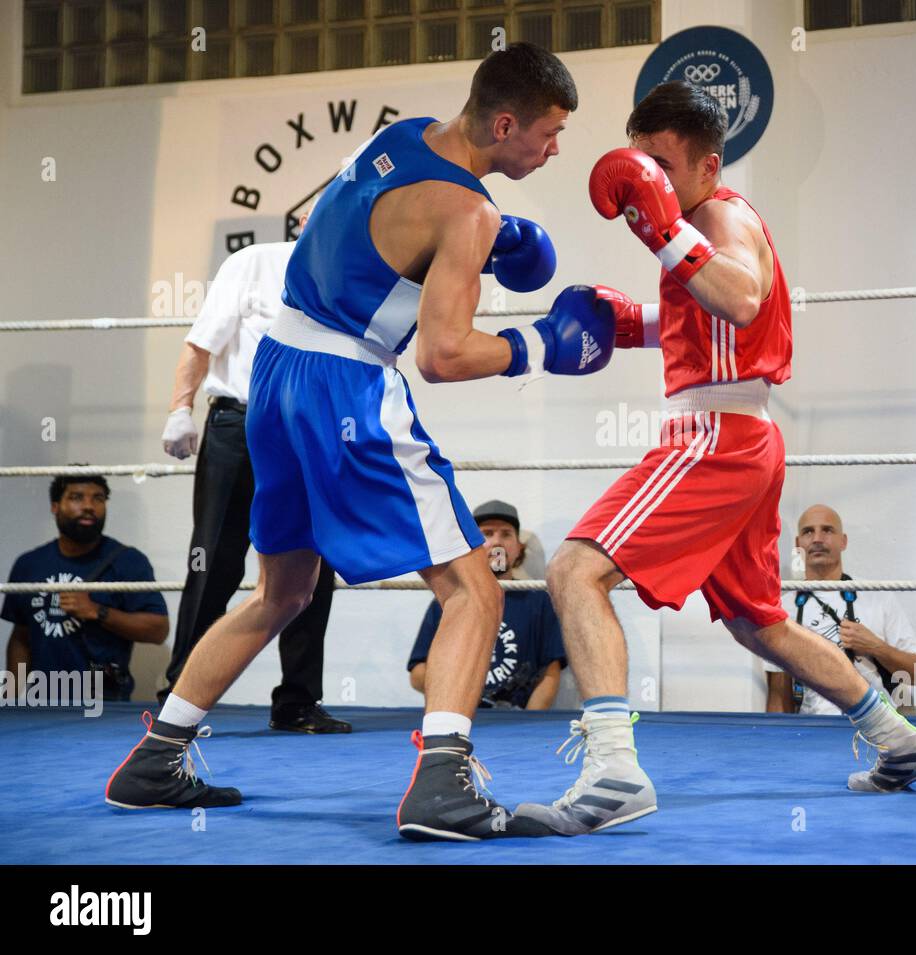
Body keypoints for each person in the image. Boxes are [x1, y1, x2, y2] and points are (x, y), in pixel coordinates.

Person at [106, 42, 615, 842]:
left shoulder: (406, 135)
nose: (556, 150)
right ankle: (444, 782)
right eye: (549, 133)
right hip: (346, 386)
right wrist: (543, 345)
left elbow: (352, 235)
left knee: (282, 594)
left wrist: (495, 234)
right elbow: (441, 357)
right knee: (472, 587)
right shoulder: (467, 211)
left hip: (274, 373)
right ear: (506, 122)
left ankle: (154, 758)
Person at [516, 82, 916, 836]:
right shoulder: (693, 227)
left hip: (715, 438)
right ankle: (898, 738)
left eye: (660, 163)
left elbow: (742, 298)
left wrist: (658, 229)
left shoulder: (715, 216)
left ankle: (614, 771)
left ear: (709, 163)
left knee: (572, 569)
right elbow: (710, 318)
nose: (644, 180)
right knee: (759, 622)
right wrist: (626, 325)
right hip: (743, 435)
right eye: (636, 162)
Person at [159, 212, 349, 734]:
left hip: (312, 429)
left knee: (313, 565)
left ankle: (297, 702)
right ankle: (180, 698)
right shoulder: (254, 261)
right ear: (306, 221)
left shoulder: (352, 277)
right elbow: (201, 343)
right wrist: (181, 407)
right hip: (240, 422)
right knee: (214, 557)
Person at [3, 474, 168, 702]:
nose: (89, 506)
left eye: (98, 498)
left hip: (104, 704)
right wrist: (8, 699)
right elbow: (21, 636)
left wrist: (97, 611)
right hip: (41, 703)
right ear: (55, 506)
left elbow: (158, 630)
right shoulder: (29, 565)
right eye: (77, 497)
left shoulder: (128, 562)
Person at [763, 505, 916, 719]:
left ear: (844, 541)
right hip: (814, 731)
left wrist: (876, 647)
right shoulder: (783, 610)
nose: (817, 539)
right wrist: (779, 746)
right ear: (798, 544)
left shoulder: (877, 597)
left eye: (827, 530)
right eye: (808, 532)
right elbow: (779, 695)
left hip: (878, 728)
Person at [407, 500, 565, 710]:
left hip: (518, 725)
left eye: (506, 534)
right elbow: (418, 673)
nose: (497, 542)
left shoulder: (540, 602)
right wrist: (457, 698)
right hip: (457, 716)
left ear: (519, 548)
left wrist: (527, 724)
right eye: (487, 534)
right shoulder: (449, 600)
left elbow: (550, 673)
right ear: (471, 544)